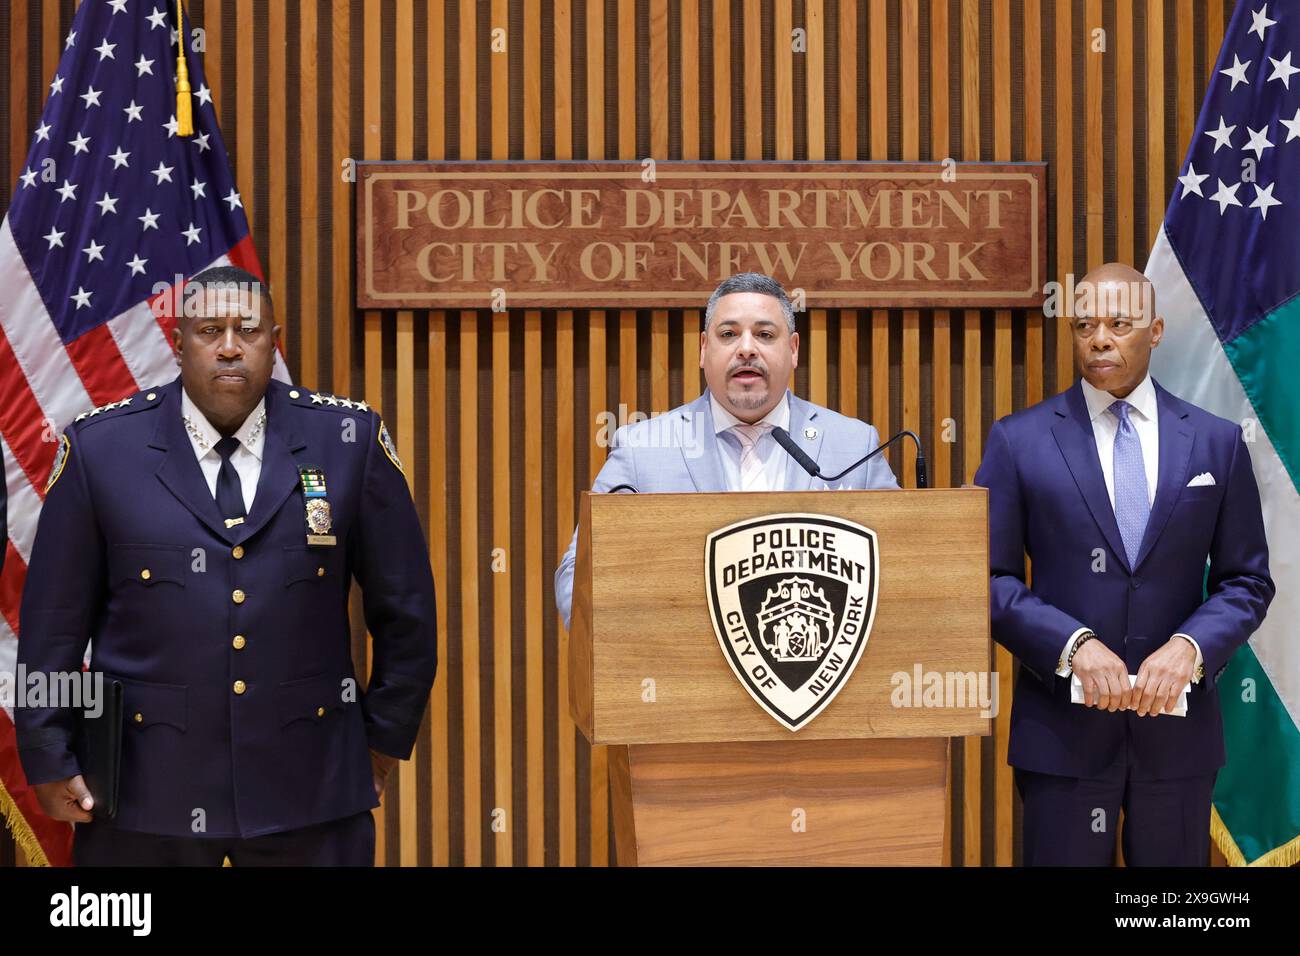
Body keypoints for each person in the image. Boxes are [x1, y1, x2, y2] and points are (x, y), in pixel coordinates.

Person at [16, 266, 438, 866]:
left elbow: (408, 616)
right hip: (144, 796)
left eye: (249, 329)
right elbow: (52, 627)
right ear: (179, 342)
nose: (230, 346)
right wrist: (48, 751)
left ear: (275, 340)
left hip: (311, 793)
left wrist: (380, 743)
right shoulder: (101, 451)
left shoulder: (347, 442)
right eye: (210, 329)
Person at [975, 262, 1274, 866]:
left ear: (1156, 329)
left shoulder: (1216, 442)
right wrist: (1071, 645)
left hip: (1178, 741)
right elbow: (985, 577)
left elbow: (1247, 580)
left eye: (1119, 323)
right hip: (1063, 738)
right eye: (1084, 324)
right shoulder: (1019, 440)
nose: (1100, 339)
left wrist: (1190, 647)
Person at [555, 272, 899, 629]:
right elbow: (577, 573)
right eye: (728, 334)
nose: (746, 348)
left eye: (765, 335)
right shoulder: (642, 448)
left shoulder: (853, 444)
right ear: (704, 349)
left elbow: (902, 562)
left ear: (793, 350)